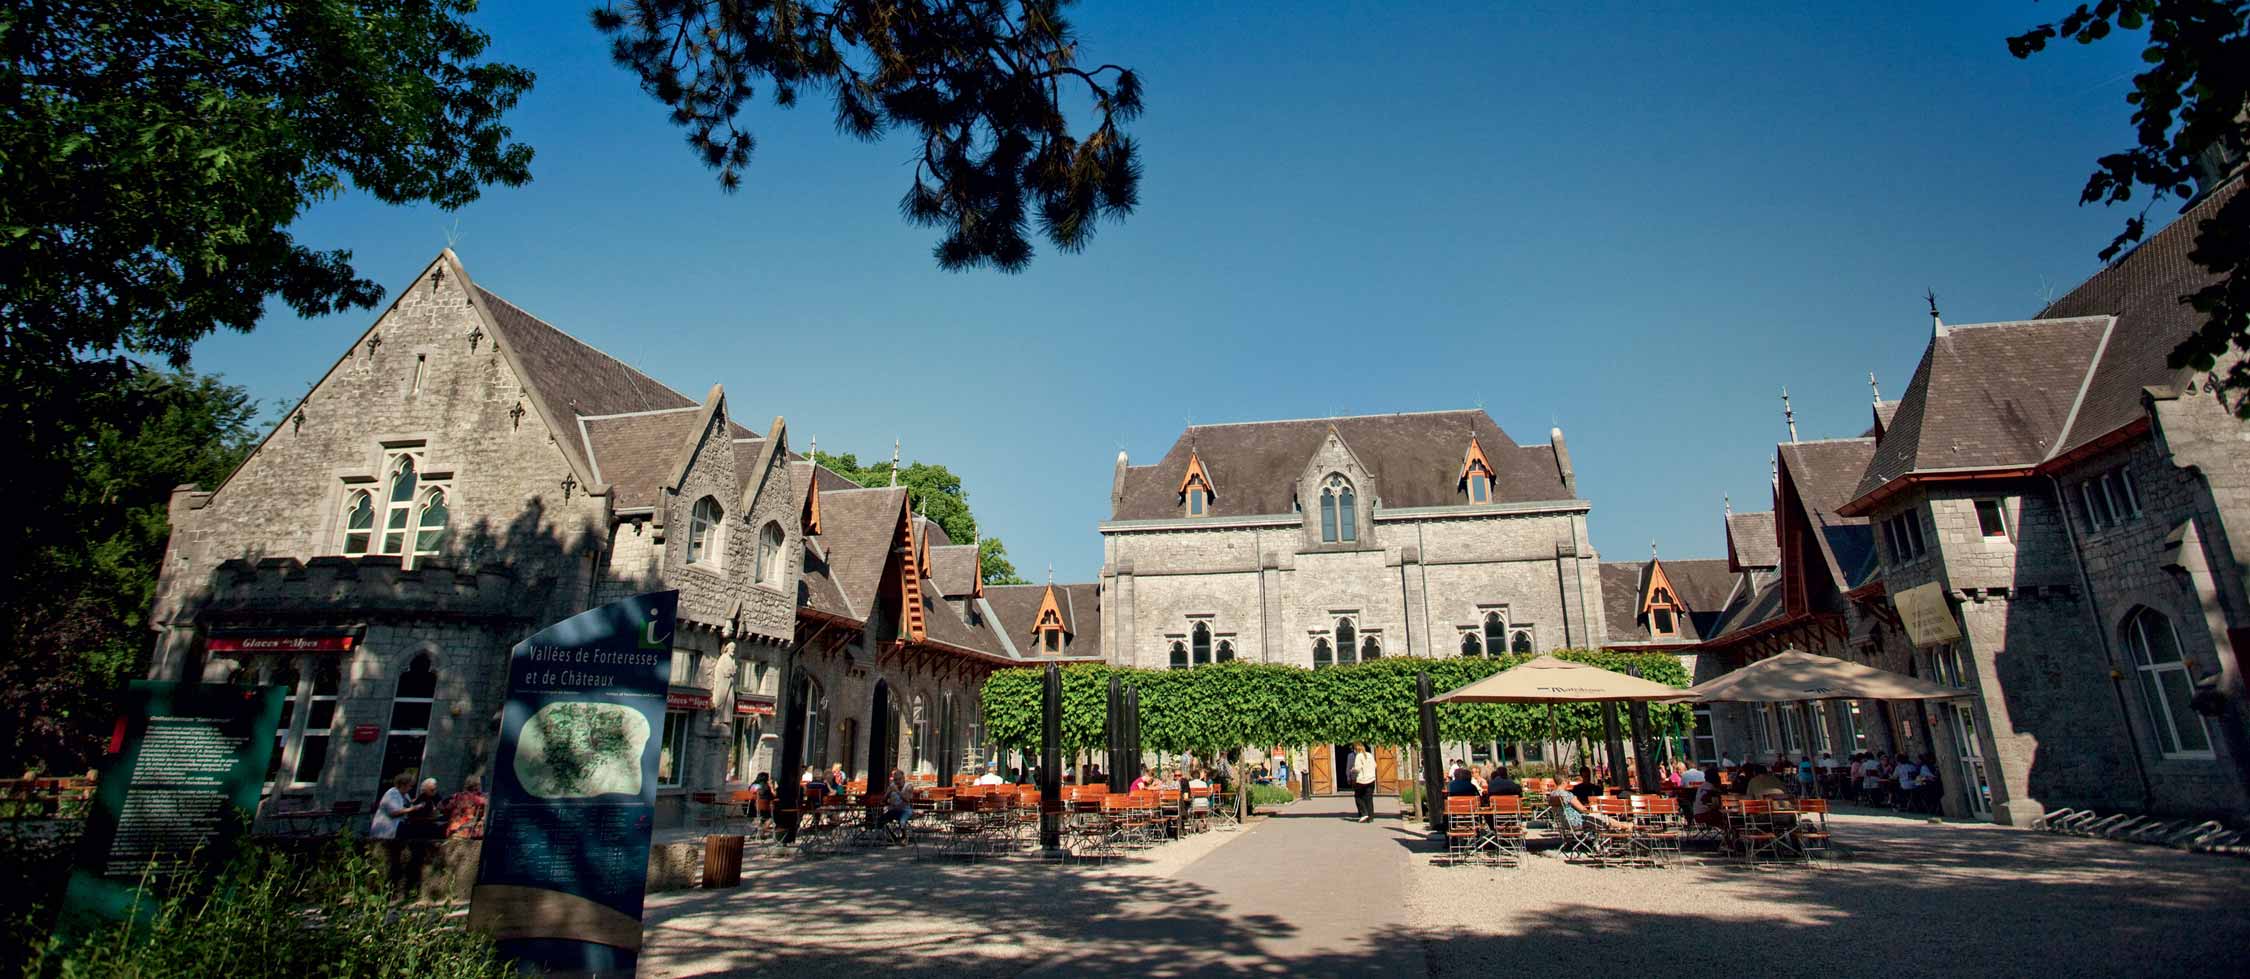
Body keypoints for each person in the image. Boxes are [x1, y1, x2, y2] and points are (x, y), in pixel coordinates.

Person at [370, 774, 414, 840]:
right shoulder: (392, 793)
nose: (411, 788)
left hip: (398, 827)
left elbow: (408, 805)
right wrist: (412, 809)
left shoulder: (406, 795)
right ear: (403, 785)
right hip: (387, 829)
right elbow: (394, 812)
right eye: (410, 786)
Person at [1348, 743, 1376, 823]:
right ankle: (1371, 817)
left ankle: (1364, 813)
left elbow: (1358, 768)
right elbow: (1375, 765)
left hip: (1362, 780)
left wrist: (1352, 769)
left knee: (1358, 797)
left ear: (1356, 750)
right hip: (1371, 779)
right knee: (1369, 798)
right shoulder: (1369, 755)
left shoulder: (1358, 756)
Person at [881, 768, 913, 839]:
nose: (897, 781)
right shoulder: (892, 786)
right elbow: (883, 800)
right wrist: (888, 793)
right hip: (894, 810)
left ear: (903, 778)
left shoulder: (908, 786)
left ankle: (904, 837)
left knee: (902, 822)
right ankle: (893, 837)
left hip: (905, 810)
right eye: (895, 780)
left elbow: (907, 800)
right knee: (881, 821)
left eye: (899, 779)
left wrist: (897, 791)